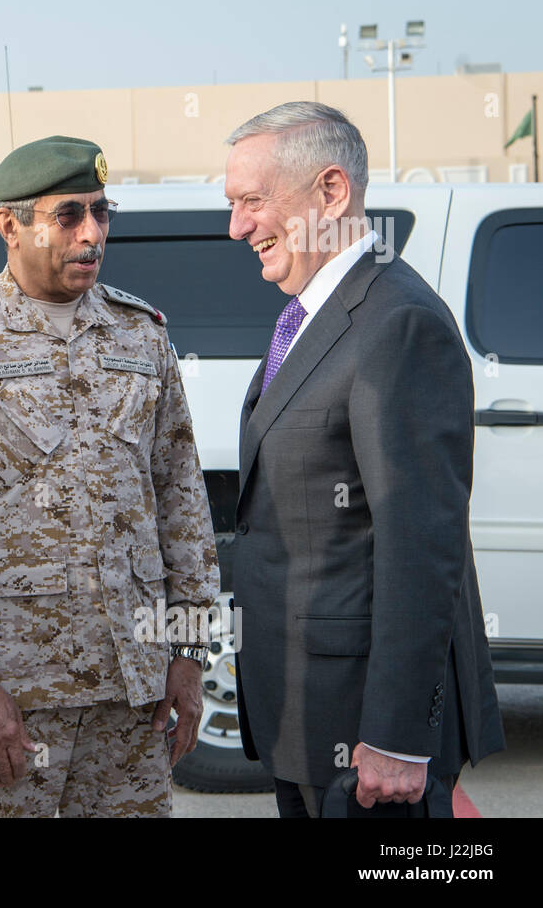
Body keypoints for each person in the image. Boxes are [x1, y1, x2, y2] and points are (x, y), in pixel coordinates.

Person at [0, 135, 219, 817]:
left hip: (134, 688)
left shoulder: (142, 334)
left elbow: (183, 503)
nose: (93, 234)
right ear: (10, 225)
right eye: (69, 215)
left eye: (103, 213)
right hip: (13, 694)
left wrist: (188, 654)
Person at [223, 101, 505, 817]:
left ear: (331, 192)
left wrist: (398, 736)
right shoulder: (314, 312)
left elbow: (422, 547)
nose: (237, 227)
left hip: (366, 738)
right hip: (307, 716)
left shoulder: (397, 322)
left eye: (253, 202)